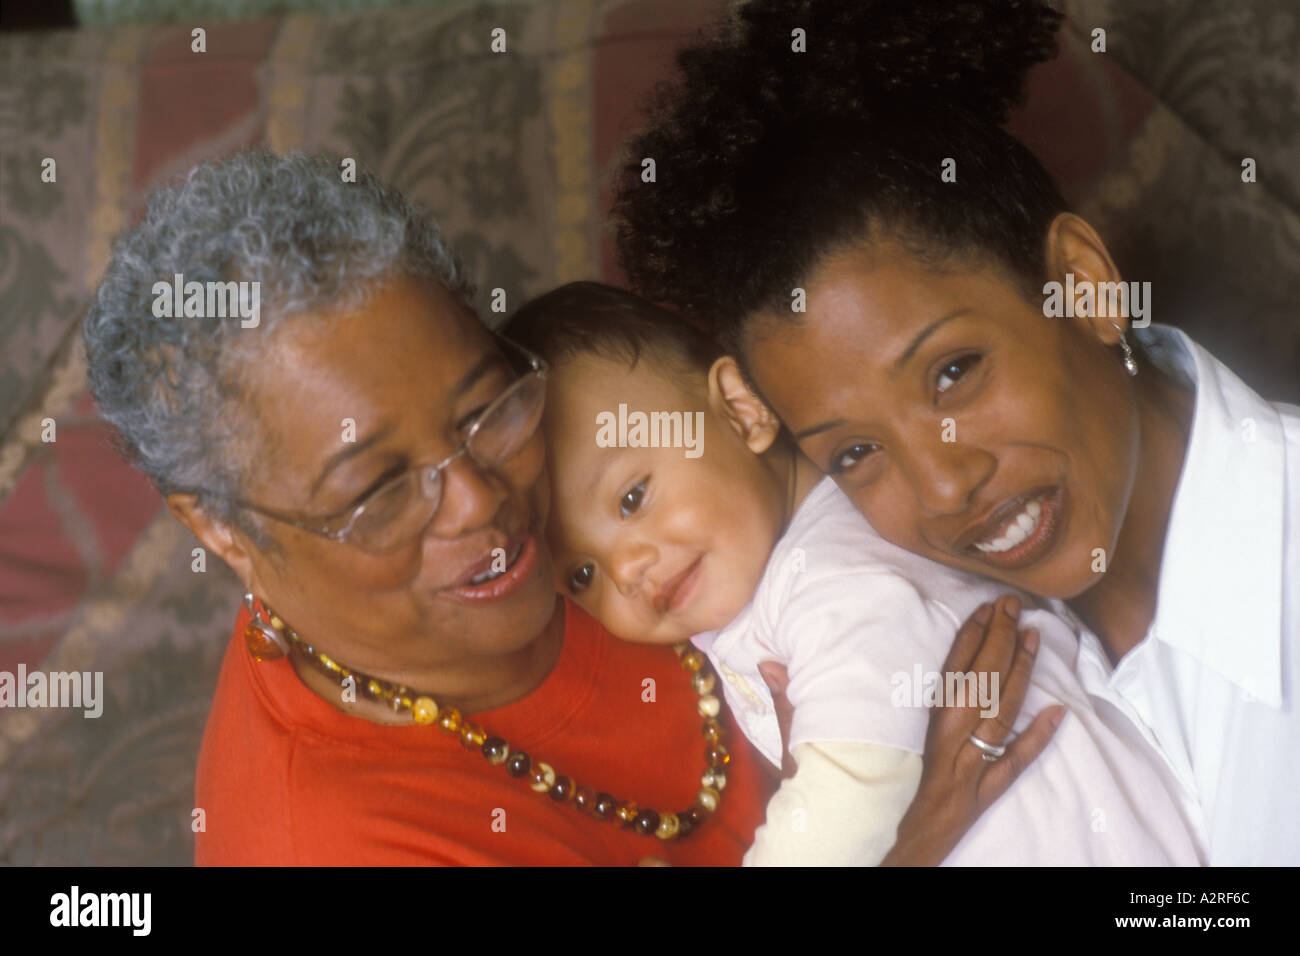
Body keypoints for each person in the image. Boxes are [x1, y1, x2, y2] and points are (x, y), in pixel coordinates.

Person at [81, 149, 1053, 866]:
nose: (482, 500)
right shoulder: (334, 842)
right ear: (218, 530)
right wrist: (906, 846)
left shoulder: (595, 428)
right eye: (376, 491)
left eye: (484, 409)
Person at [611, 0, 1300, 864]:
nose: (943, 488)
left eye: (952, 372)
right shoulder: (901, 649)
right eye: (856, 454)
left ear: (1082, 287)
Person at [503, 280, 1199, 865]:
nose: (626, 570)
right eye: (583, 574)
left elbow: (852, 792)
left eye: (632, 498)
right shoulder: (770, 583)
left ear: (741, 410)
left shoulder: (834, 572)